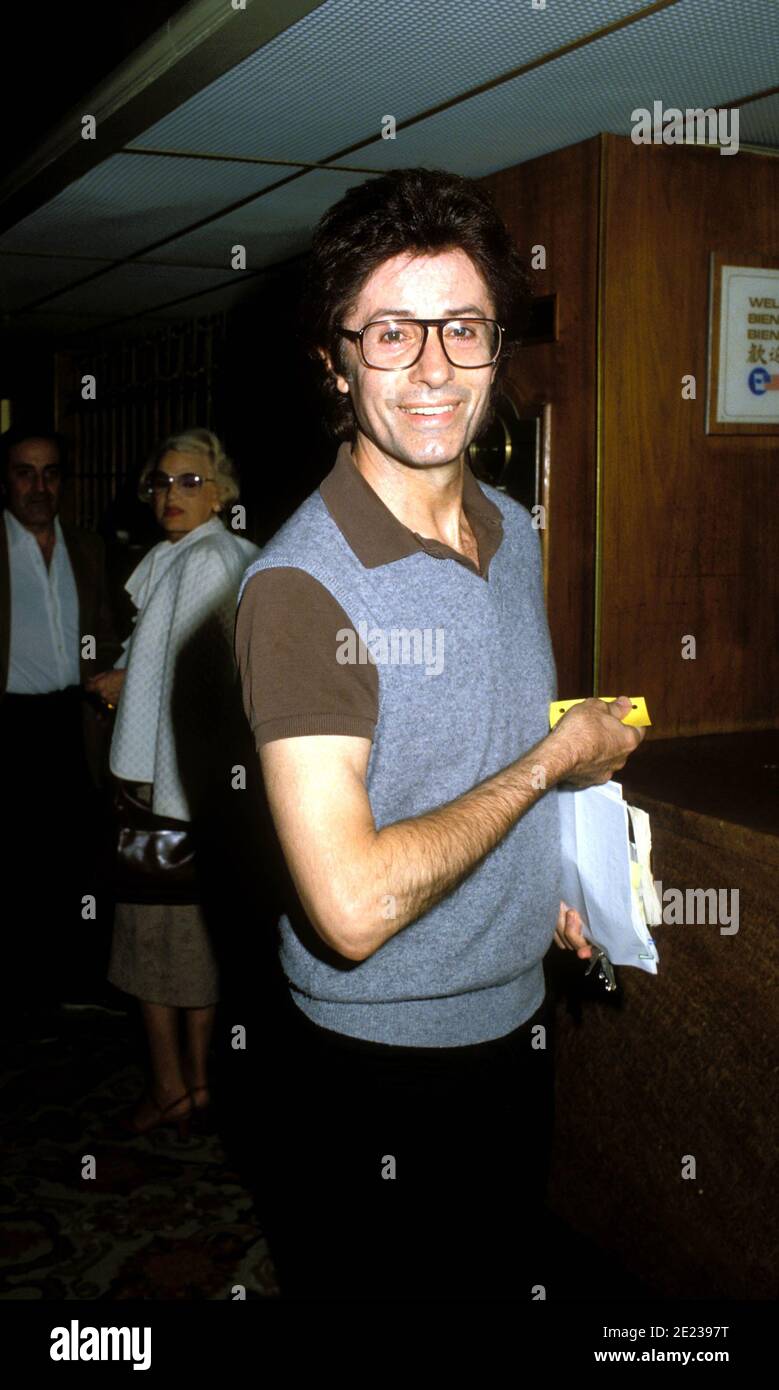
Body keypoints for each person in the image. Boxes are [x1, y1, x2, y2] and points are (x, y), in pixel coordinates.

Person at [234, 167, 645, 1300]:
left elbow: (474, 765)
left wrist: (550, 881)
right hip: (371, 1070)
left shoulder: (510, 530)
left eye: (461, 329)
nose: (430, 369)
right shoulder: (296, 592)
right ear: (333, 358)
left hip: (513, 1028)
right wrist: (555, 760)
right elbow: (353, 907)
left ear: (495, 348)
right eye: (391, 333)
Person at [91, 429, 259, 1137]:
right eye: (161, 483)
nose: (170, 496)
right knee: (192, 944)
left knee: (152, 943)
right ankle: (197, 1084)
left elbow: (184, 694)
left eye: (190, 482)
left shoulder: (205, 561)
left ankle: (173, 1087)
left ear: (222, 492)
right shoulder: (197, 556)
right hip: (197, 795)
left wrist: (119, 690)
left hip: (168, 793)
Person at [0, 425, 121, 1009]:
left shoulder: (89, 547)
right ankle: (24, 991)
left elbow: (105, 632)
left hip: (74, 724)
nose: (39, 486)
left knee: (77, 857)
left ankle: (74, 983)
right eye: (25, 472)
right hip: (11, 726)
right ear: (6, 480)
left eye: (50, 473)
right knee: (18, 862)